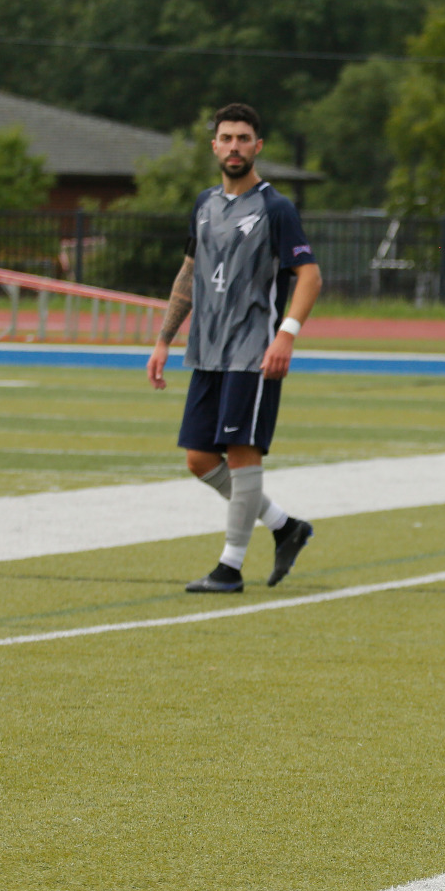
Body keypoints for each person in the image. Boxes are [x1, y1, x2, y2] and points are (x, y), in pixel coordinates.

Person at [146, 102, 322, 593]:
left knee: (243, 453)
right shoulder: (203, 205)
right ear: (215, 146)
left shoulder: (276, 207)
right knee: (200, 459)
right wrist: (163, 340)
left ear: (257, 146)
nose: (235, 146)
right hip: (207, 350)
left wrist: (286, 333)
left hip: (252, 351)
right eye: (226, 138)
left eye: (244, 138)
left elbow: (309, 275)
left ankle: (230, 567)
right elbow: (188, 273)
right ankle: (286, 526)